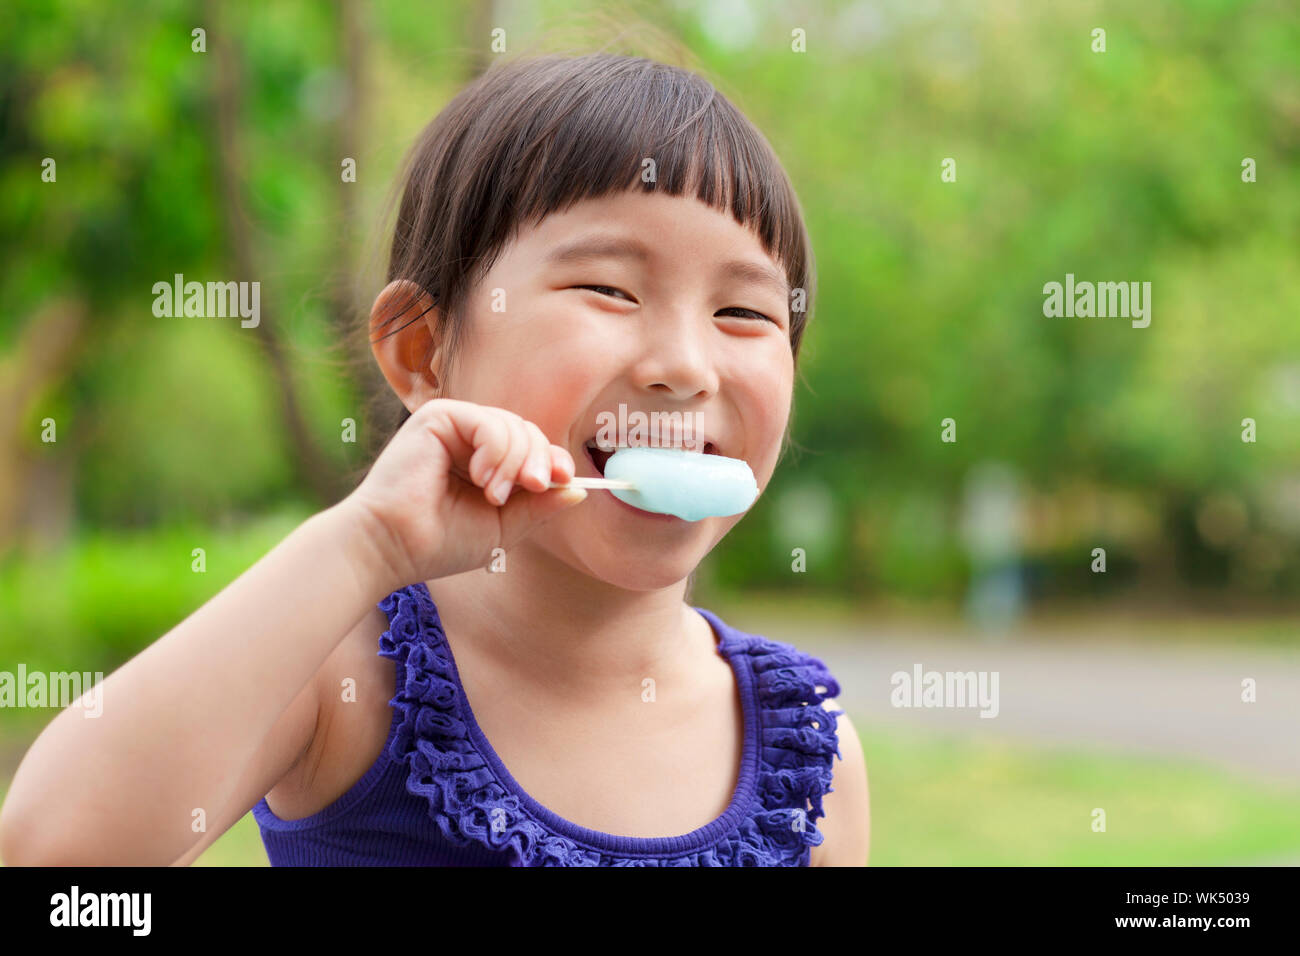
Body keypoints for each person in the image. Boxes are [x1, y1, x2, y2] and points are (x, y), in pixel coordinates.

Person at [0, 51, 869, 867]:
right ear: (422, 353)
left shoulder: (808, 751)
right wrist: (365, 544)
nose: (683, 365)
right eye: (609, 288)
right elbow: (50, 857)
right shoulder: (349, 674)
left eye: (745, 314)